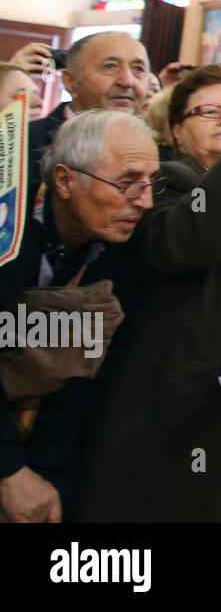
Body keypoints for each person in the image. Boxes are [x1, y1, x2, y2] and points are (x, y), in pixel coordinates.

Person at [79, 65, 221, 521]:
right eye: (209, 111)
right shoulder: (166, 179)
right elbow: (184, 246)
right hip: (169, 406)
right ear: (175, 129)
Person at [0, 110, 159, 522]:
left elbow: (85, 376)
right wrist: (11, 472)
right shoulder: (8, 230)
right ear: (65, 181)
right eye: (127, 182)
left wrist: (44, 475)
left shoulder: (122, 245)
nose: (146, 201)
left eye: (150, 182)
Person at [12, 33, 151, 172]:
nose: (128, 81)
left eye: (138, 69)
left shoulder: (150, 147)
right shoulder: (18, 144)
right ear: (70, 81)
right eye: (110, 67)